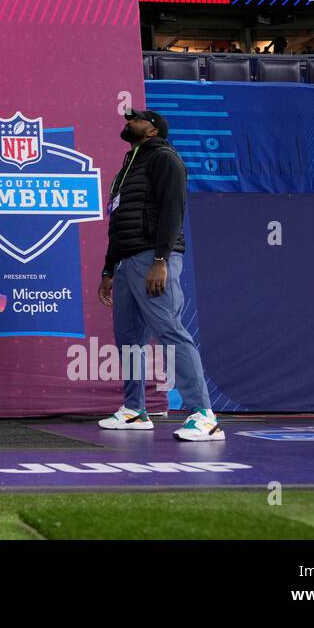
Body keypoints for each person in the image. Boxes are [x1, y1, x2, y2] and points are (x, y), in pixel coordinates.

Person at [96, 108, 224, 442]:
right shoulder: (129, 166)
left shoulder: (166, 159)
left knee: (170, 331)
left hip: (152, 258)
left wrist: (161, 259)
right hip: (126, 261)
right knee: (128, 338)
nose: (128, 121)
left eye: (136, 119)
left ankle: (204, 415)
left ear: (153, 130)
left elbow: (173, 211)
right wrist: (109, 269)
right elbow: (118, 222)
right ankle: (134, 411)